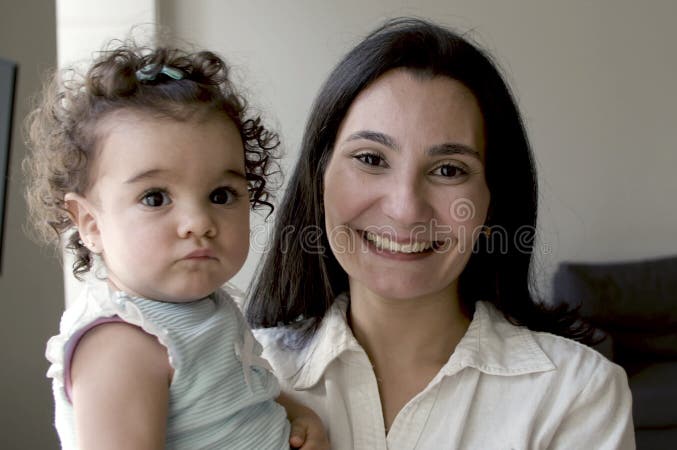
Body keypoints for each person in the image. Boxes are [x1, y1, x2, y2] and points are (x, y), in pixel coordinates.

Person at [247, 17, 635, 449]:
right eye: (371, 159)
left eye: (449, 170)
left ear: (493, 201)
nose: (405, 207)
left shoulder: (574, 393)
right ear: (318, 180)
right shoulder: (242, 373)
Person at [24, 42, 328, 449]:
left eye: (221, 195)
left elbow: (233, 389)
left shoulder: (203, 310)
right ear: (91, 224)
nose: (199, 223)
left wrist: (294, 412)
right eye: (155, 198)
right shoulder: (123, 346)